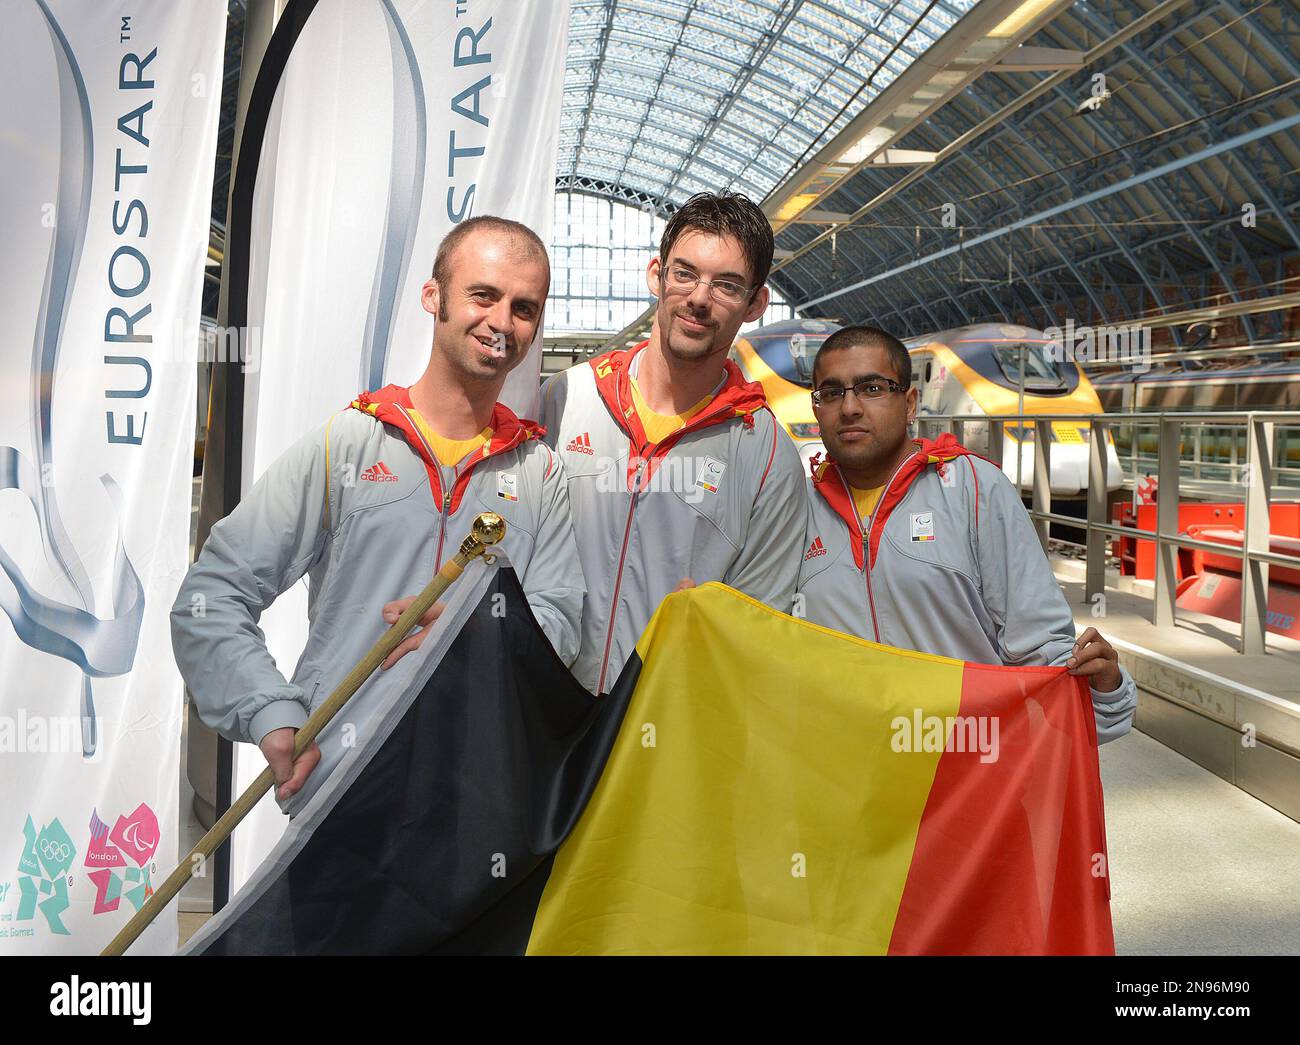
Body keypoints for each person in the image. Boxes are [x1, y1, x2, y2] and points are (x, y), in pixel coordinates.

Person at [172, 216, 585, 802]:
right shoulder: (348, 444)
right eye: (483, 295)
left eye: (524, 308)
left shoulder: (539, 472)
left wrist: (484, 631)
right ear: (433, 296)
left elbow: (560, 623)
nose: (501, 322)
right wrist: (269, 710)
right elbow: (212, 595)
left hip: (479, 802)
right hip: (342, 792)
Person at [796, 325, 1136, 743]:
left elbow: (1041, 649)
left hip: (963, 765)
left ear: (910, 403)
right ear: (817, 409)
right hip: (845, 767)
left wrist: (1104, 695)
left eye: (872, 388)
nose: (849, 407)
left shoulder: (976, 489)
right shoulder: (795, 507)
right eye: (831, 392)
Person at [539, 191, 808, 694]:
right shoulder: (566, 397)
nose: (699, 299)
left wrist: (714, 624)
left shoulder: (767, 454)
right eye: (685, 273)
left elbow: (761, 619)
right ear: (656, 276)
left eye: (727, 285)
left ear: (756, 304)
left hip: (664, 711)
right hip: (539, 700)